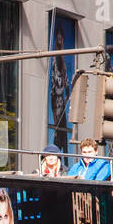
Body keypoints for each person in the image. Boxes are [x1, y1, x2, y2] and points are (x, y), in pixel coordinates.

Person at [49, 26, 70, 158]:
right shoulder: (55, 62)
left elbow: (67, 87)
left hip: (61, 103)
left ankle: (63, 156)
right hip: (57, 103)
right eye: (58, 38)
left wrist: (66, 99)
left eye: (61, 38)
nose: (59, 40)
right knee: (59, 131)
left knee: (62, 131)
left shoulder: (61, 65)